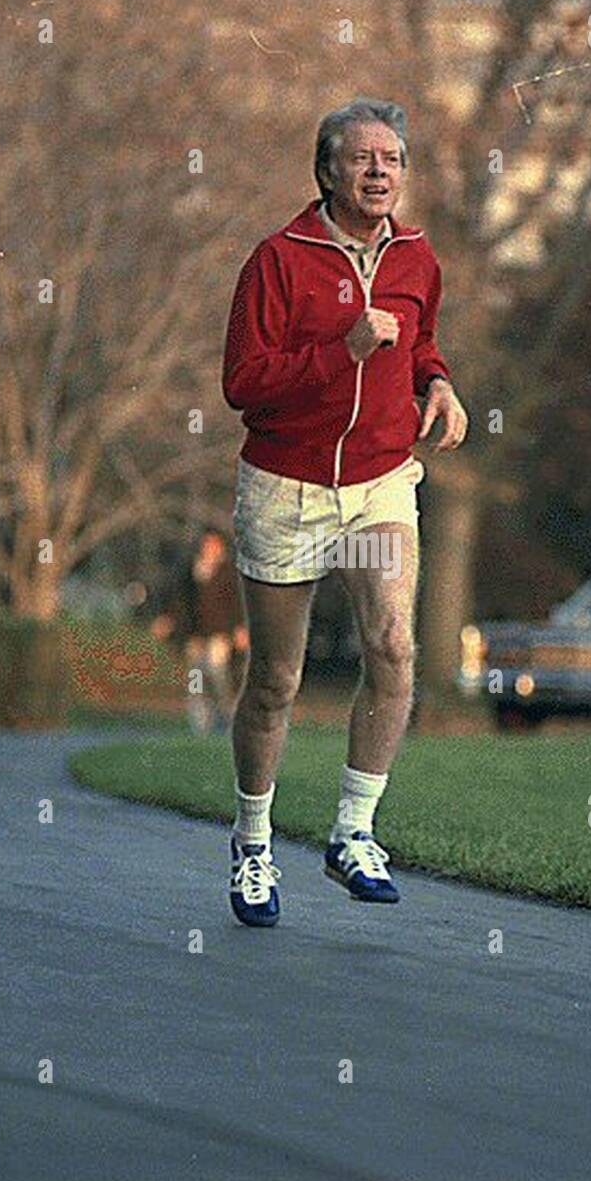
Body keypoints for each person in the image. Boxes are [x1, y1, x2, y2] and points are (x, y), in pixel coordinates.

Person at [221, 97, 468, 926]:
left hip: (378, 481)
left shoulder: (418, 257)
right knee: (276, 680)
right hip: (285, 486)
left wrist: (438, 383)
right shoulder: (279, 260)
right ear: (327, 170)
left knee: (392, 644)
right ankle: (253, 844)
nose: (379, 172)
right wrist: (342, 353)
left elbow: (420, 338)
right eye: (362, 158)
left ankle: (353, 832)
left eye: (392, 159)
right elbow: (243, 385)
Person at [151, 529, 248, 735]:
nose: (210, 549)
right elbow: (180, 600)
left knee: (217, 673)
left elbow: (238, 602)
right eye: (207, 544)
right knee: (195, 679)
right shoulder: (191, 569)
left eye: (214, 545)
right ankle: (201, 725)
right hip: (195, 634)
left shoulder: (229, 572)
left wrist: (240, 628)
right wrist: (168, 619)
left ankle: (227, 718)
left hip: (219, 634)